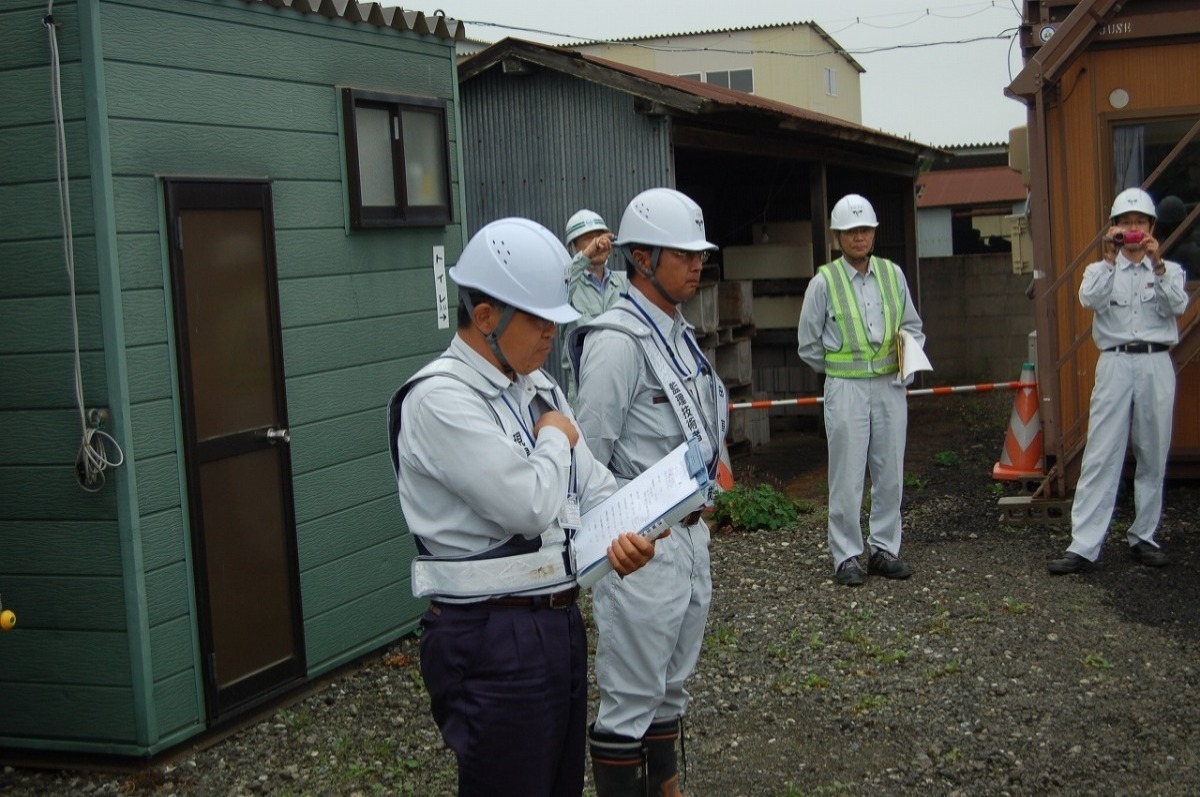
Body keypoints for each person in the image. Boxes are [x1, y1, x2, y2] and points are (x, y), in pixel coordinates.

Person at [387, 217, 658, 797]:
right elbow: (530, 505)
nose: (551, 337)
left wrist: (625, 534)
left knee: (558, 785)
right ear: (485, 317)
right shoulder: (439, 400)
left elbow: (596, 485)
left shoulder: (537, 387)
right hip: (489, 635)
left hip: (554, 622)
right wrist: (557, 436)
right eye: (539, 321)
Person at [570, 188, 729, 797]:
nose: (696, 264)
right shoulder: (617, 340)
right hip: (641, 548)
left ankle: (666, 788)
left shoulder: (676, 333)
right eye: (682, 253)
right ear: (641, 259)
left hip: (690, 537)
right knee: (630, 700)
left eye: (699, 253)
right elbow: (590, 457)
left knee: (670, 687)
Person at [1049, 188, 1189, 574]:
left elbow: (1177, 305)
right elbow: (1087, 299)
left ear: (1151, 228)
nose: (1132, 229)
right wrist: (1109, 260)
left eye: (1139, 223)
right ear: (1113, 229)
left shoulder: (1169, 270)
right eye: (1125, 223)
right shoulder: (1100, 270)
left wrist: (1157, 264)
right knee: (1101, 452)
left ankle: (1144, 536)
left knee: (1153, 450)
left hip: (1155, 362)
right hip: (1113, 362)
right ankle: (1084, 544)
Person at [796, 193, 925, 587]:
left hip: (890, 384)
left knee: (890, 471)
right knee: (847, 474)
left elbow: (912, 326)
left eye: (865, 230)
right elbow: (808, 344)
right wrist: (840, 369)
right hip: (846, 389)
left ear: (874, 234)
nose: (859, 237)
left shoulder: (893, 274)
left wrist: (907, 363)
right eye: (851, 231)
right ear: (837, 236)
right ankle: (847, 556)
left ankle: (884, 550)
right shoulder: (824, 281)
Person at [559, 209, 629, 403]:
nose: (597, 244)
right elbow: (558, 290)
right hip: (585, 387)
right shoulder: (567, 286)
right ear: (573, 248)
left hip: (627, 381)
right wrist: (585, 257)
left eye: (599, 237)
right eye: (587, 241)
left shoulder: (625, 281)